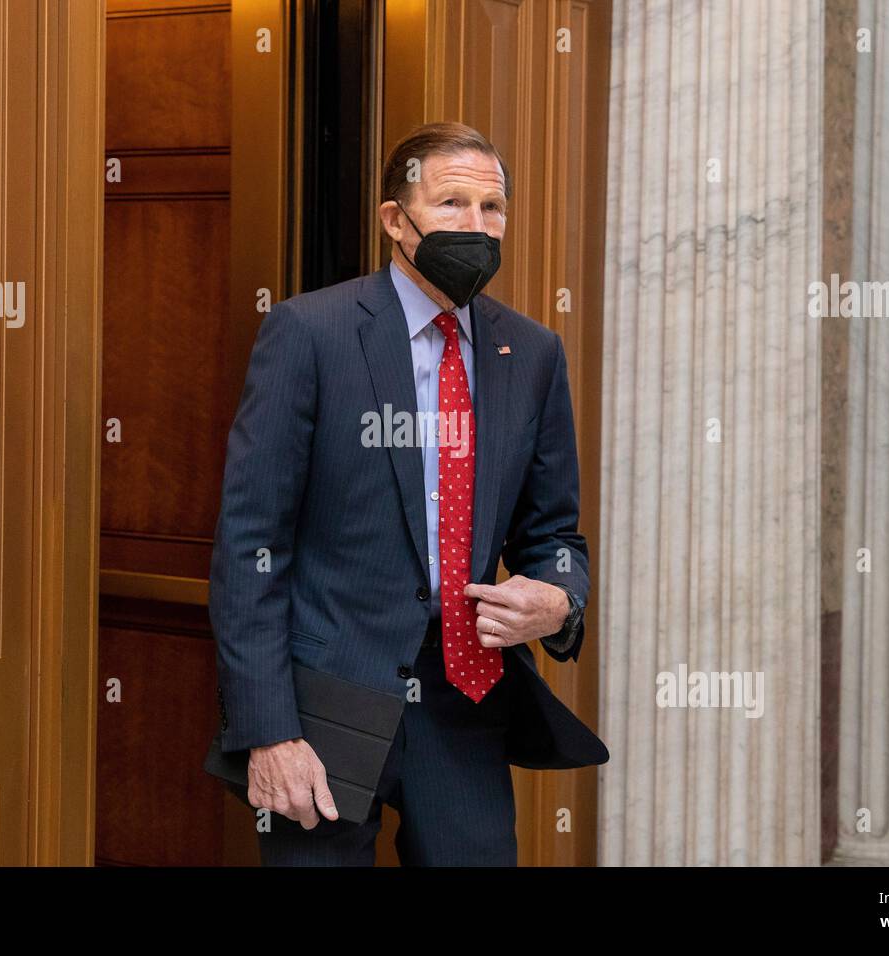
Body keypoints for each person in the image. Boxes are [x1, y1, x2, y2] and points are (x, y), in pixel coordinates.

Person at [209, 121, 607, 866]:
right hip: (324, 703)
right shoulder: (310, 333)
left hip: (463, 697)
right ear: (396, 220)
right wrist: (268, 730)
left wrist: (559, 600)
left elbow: (555, 535)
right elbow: (251, 545)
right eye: (452, 202)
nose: (476, 226)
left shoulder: (533, 354)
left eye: (493, 209)